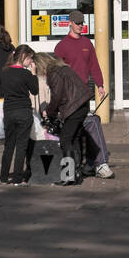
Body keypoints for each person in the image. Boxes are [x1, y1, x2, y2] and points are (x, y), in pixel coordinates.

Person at [54, 11, 113, 178]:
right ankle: (77, 165)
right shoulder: (62, 46)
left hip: (84, 93)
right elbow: (57, 72)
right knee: (74, 131)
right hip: (69, 95)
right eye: (78, 23)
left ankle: (86, 164)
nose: (81, 26)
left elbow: (94, 65)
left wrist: (100, 84)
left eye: (82, 23)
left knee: (82, 128)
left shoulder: (87, 43)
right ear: (70, 23)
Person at [35, 52, 92, 186]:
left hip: (74, 108)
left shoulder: (54, 72)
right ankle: (76, 173)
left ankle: (68, 175)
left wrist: (49, 112)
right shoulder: (63, 68)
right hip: (81, 105)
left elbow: (57, 96)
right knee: (74, 138)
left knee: (66, 139)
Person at [0, 44, 39, 185]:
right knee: (21, 146)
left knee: (9, 145)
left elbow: (1, 93)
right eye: (30, 59)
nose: (31, 63)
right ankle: (17, 178)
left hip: (9, 112)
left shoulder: (4, 72)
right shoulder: (26, 74)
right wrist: (33, 73)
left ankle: (3, 177)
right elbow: (35, 91)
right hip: (24, 113)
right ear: (23, 57)